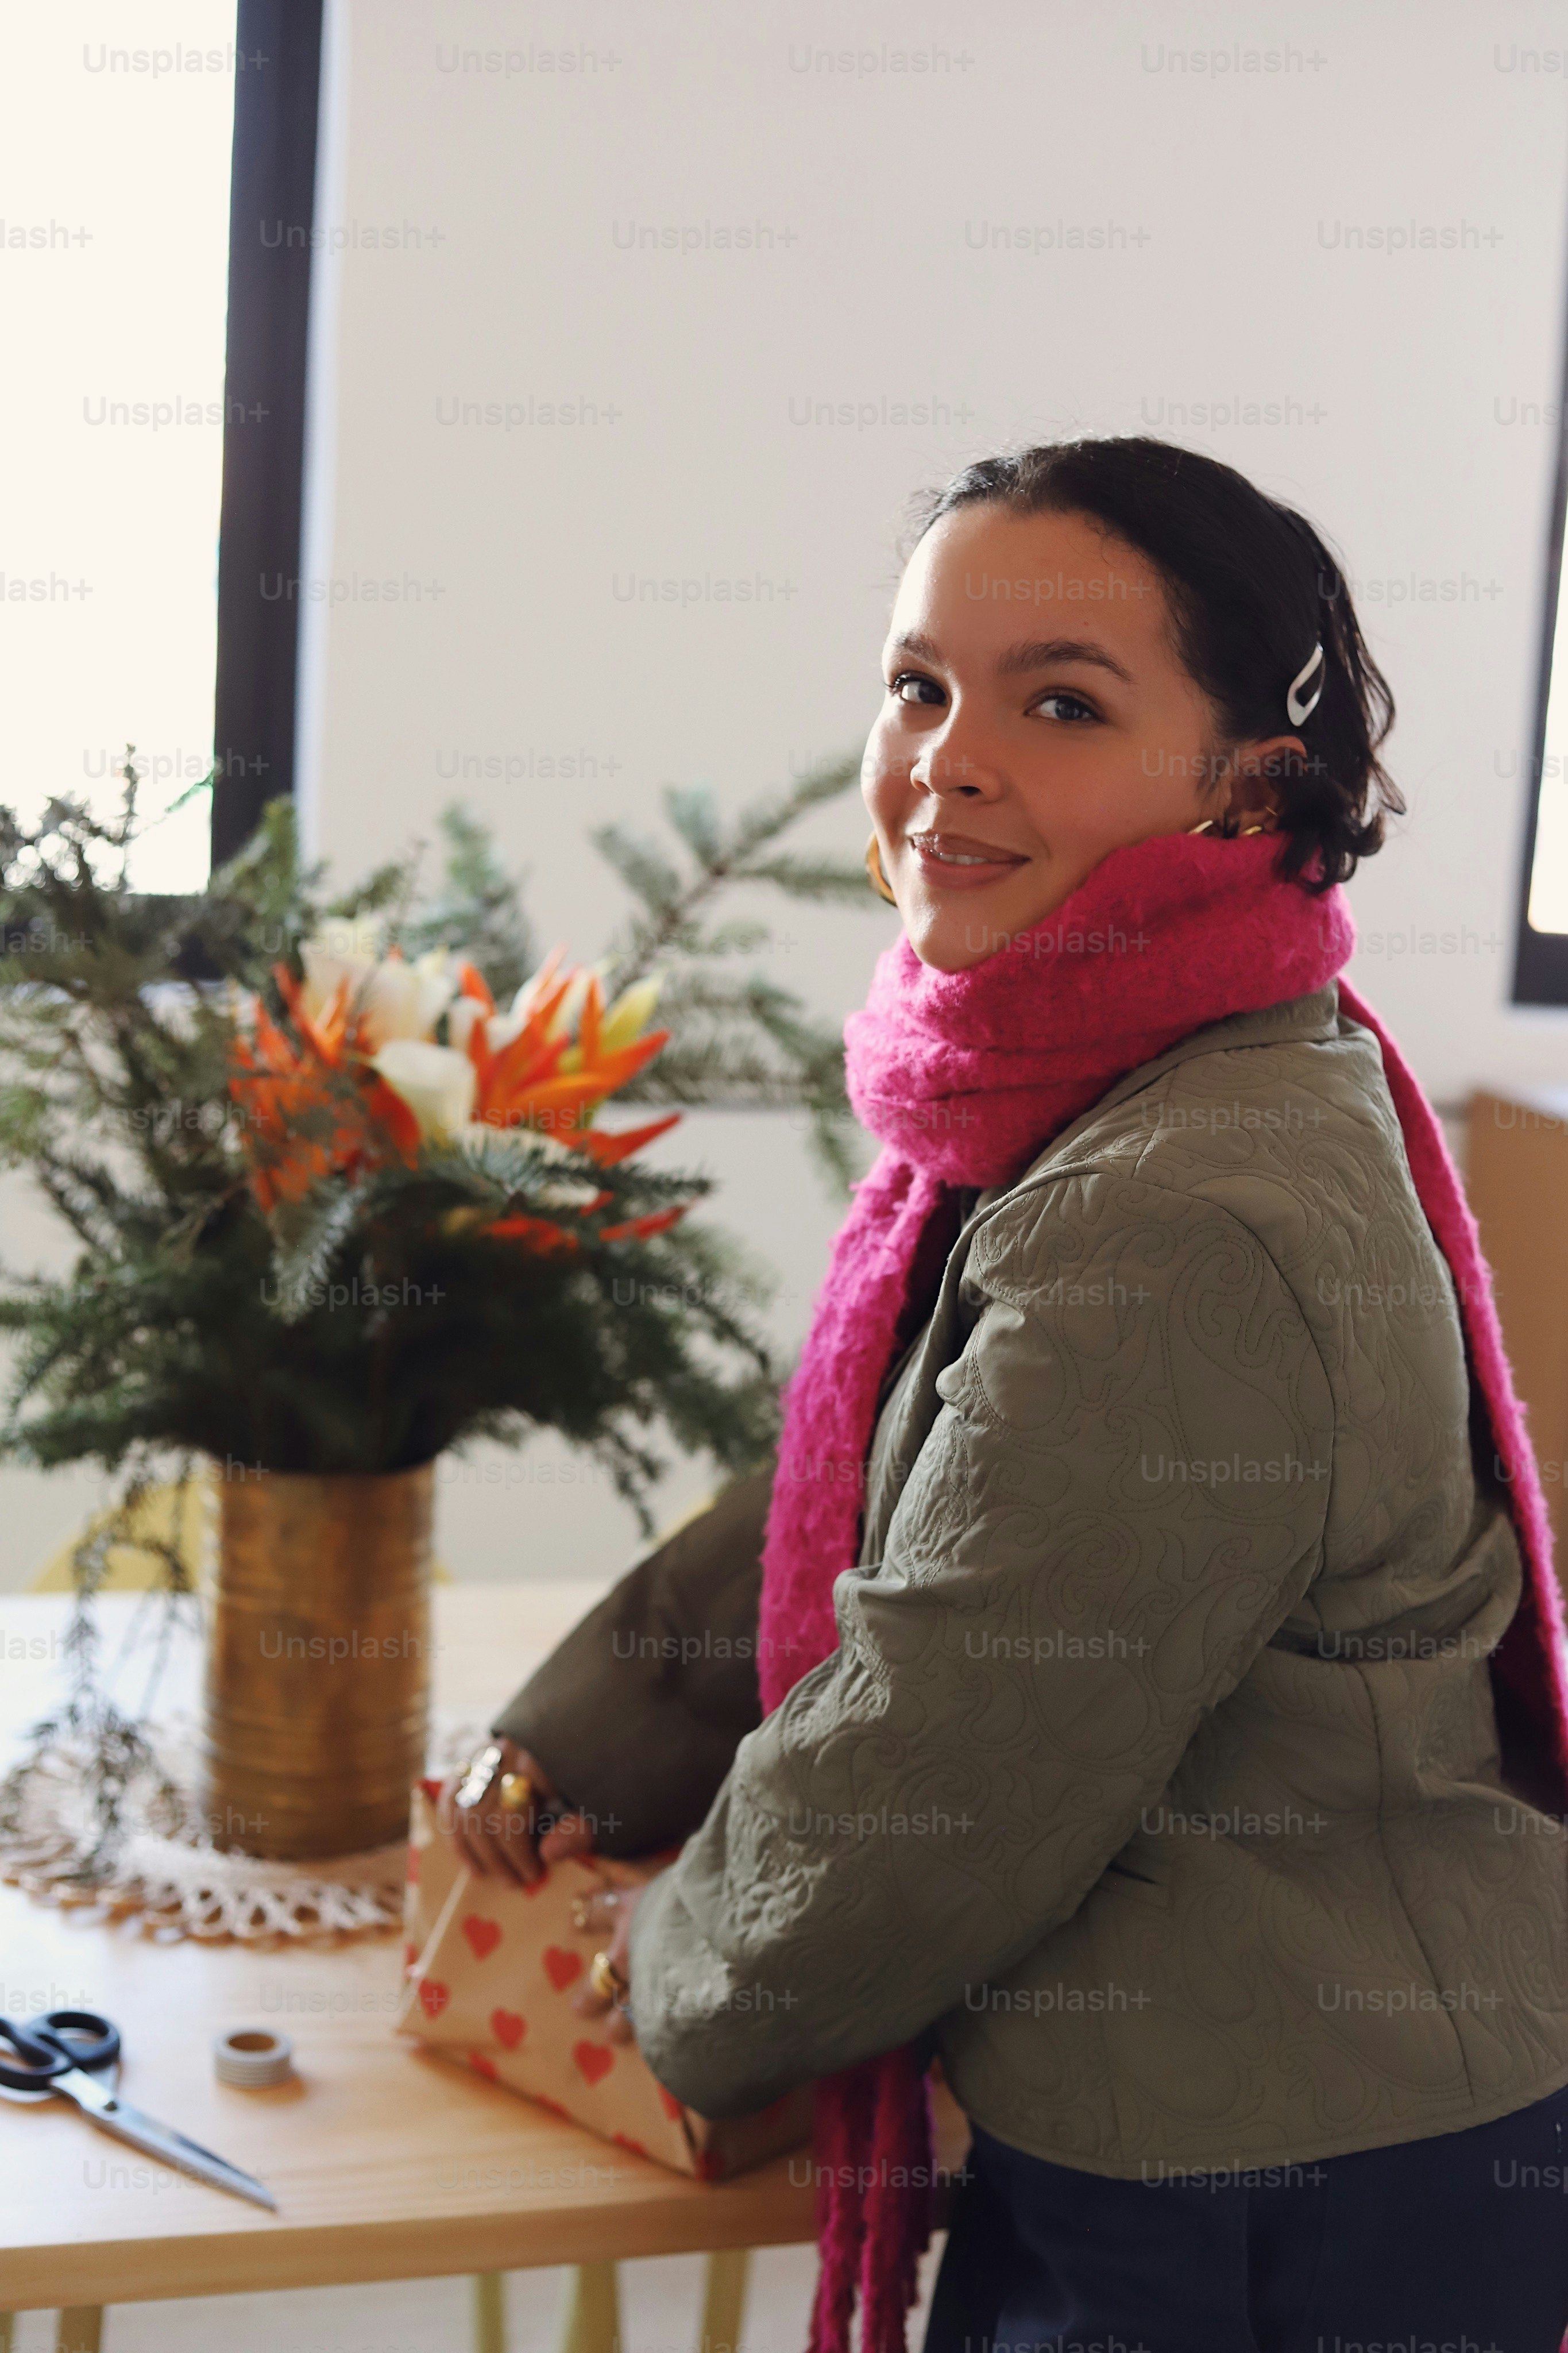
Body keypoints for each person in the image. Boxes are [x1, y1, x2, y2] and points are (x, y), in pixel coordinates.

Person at [443, 438, 1568, 2353]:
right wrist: (584, 1742)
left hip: (1275, 2186)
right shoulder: (1121, 1070)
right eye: (917, 684)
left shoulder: (1178, 1206)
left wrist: (648, 1965)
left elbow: (938, 1759)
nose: (944, 760)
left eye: (1058, 700)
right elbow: (880, 1466)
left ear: (1250, 788)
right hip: (1256, 2142)